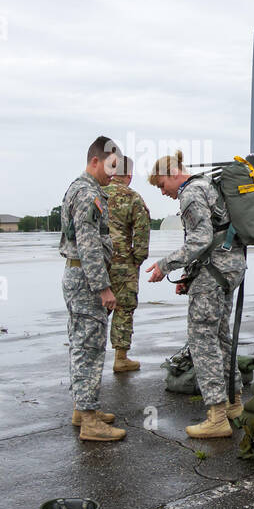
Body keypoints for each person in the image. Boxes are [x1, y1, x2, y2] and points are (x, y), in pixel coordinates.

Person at [146, 150, 248, 440]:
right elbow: (213, 236)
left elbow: (200, 240)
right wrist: (190, 278)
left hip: (215, 273)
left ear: (170, 174)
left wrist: (165, 266)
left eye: (160, 185)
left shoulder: (190, 193)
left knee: (202, 339)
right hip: (227, 270)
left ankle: (216, 416)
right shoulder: (207, 186)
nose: (163, 192)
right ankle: (234, 403)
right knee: (221, 337)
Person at [61, 135, 124, 442]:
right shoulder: (88, 194)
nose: (113, 173)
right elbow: (88, 246)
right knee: (89, 347)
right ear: (95, 160)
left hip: (78, 278)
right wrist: (103, 288)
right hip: (87, 282)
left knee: (81, 342)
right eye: (111, 166)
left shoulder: (83, 188)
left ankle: (82, 408)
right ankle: (89, 421)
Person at [106, 154, 151, 371]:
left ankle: (91, 358)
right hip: (123, 263)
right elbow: (142, 232)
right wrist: (137, 259)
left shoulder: (96, 193)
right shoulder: (133, 198)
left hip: (95, 262)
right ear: (129, 175)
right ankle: (120, 358)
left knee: (95, 310)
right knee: (124, 308)